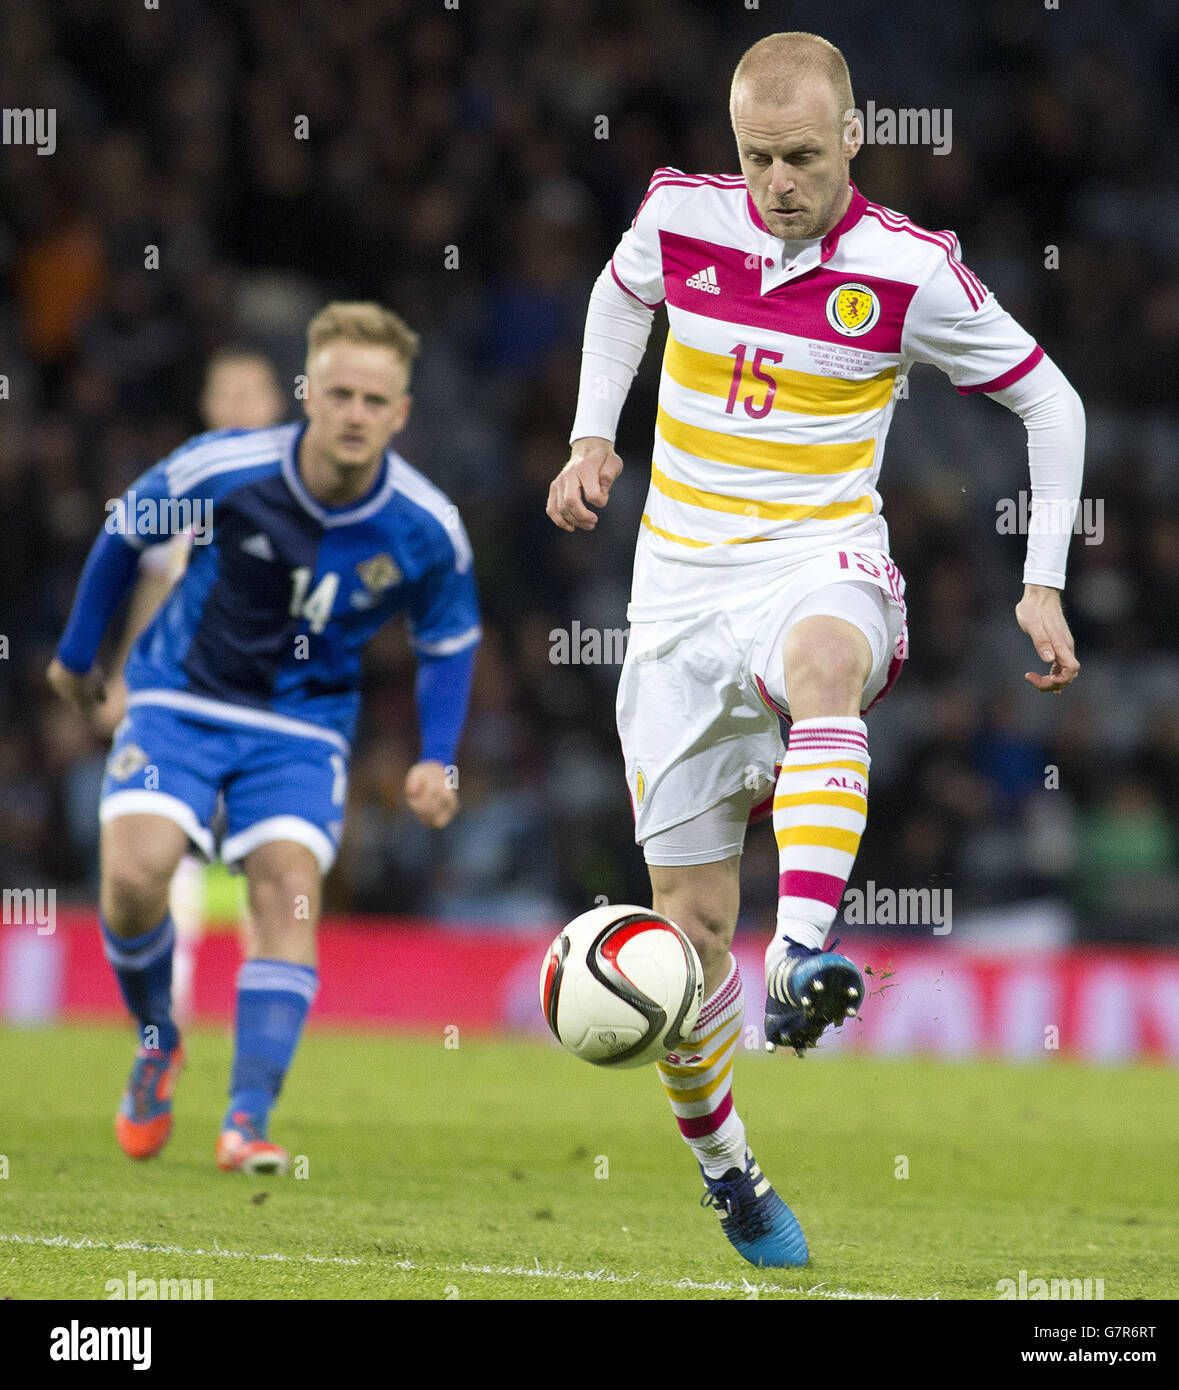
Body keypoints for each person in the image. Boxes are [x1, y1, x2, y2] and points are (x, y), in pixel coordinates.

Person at [547, 31, 1083, 1267]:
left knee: (826, 668)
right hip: (675, 598)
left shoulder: (910, 270)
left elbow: (1053, 402)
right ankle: (730, 1175)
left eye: (800, 155)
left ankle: (800, 955)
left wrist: (1042, 579)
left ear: (854, 137)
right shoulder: (680, 217)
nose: (777, 181)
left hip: (817, 561)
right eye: (756, 156)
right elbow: (619, 295)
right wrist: (592, 436)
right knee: (682, 938)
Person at [48, 302, 480, 1174]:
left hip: (302, 724)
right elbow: (126, 531)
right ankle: (159, 1040)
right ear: (308, 395)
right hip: (180, 695)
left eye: (375, 400)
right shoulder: (227, 466)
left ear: (401, 414)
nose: (356, 413)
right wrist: (74, 656)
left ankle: (246, 1121)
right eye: (340, 393)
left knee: (287, 889)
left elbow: (449, 643)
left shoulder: (427, 526)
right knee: (135, 878)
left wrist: (438, 753)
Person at [94, 347, 289, 1023]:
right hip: (178, 694)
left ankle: (261, 995)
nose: (238, 404)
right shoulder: (180, 484)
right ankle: (166, 996)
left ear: (277, 403)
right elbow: (155, 584)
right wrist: (120, 676)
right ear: (206, 404)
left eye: (251, 391)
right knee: (162, 835)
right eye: (225, 392)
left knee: (269, 852)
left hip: (270, 700)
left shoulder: (301, 485)